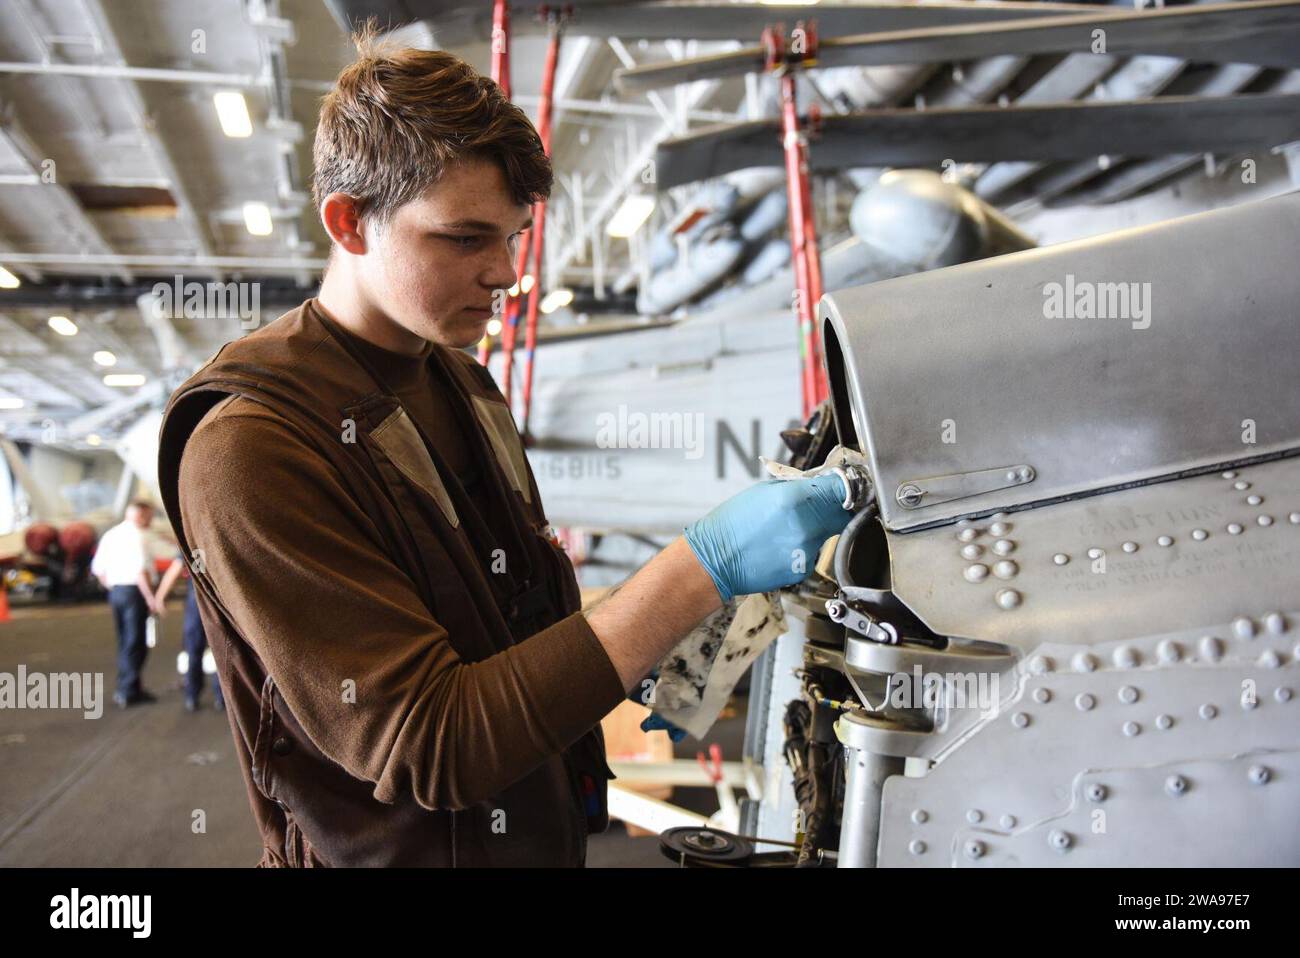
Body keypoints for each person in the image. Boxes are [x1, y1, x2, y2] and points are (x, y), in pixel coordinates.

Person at [155, 31, 853, 867]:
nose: (507, 273)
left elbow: (510, 622)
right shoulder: (251, 448)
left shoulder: (466, 385)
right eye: (463, 238)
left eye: (515, 235)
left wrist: (675, 635)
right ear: (349, 222)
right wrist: (694, 571)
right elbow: (430, 741)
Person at [90, 500, 162, 708]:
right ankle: (129, 690)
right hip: (134, 592)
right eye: (149, 516)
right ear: (139, 515)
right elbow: (141, 571)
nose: (151, 520)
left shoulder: (111, 535)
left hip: (117, 592)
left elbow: (99, 570)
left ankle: (127, 686)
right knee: (136, 642)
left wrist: (114, 588)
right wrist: (150, 598)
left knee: (124, 641)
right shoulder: (137, 538)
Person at [156, 554, 225, 713]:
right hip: (217, 601)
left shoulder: (194, 541)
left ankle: (192, 695)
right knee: (220, 649)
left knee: (195, 649)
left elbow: (176, 569)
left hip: (198, 600)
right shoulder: (211, 541)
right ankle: (221, 696)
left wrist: (161, 595)